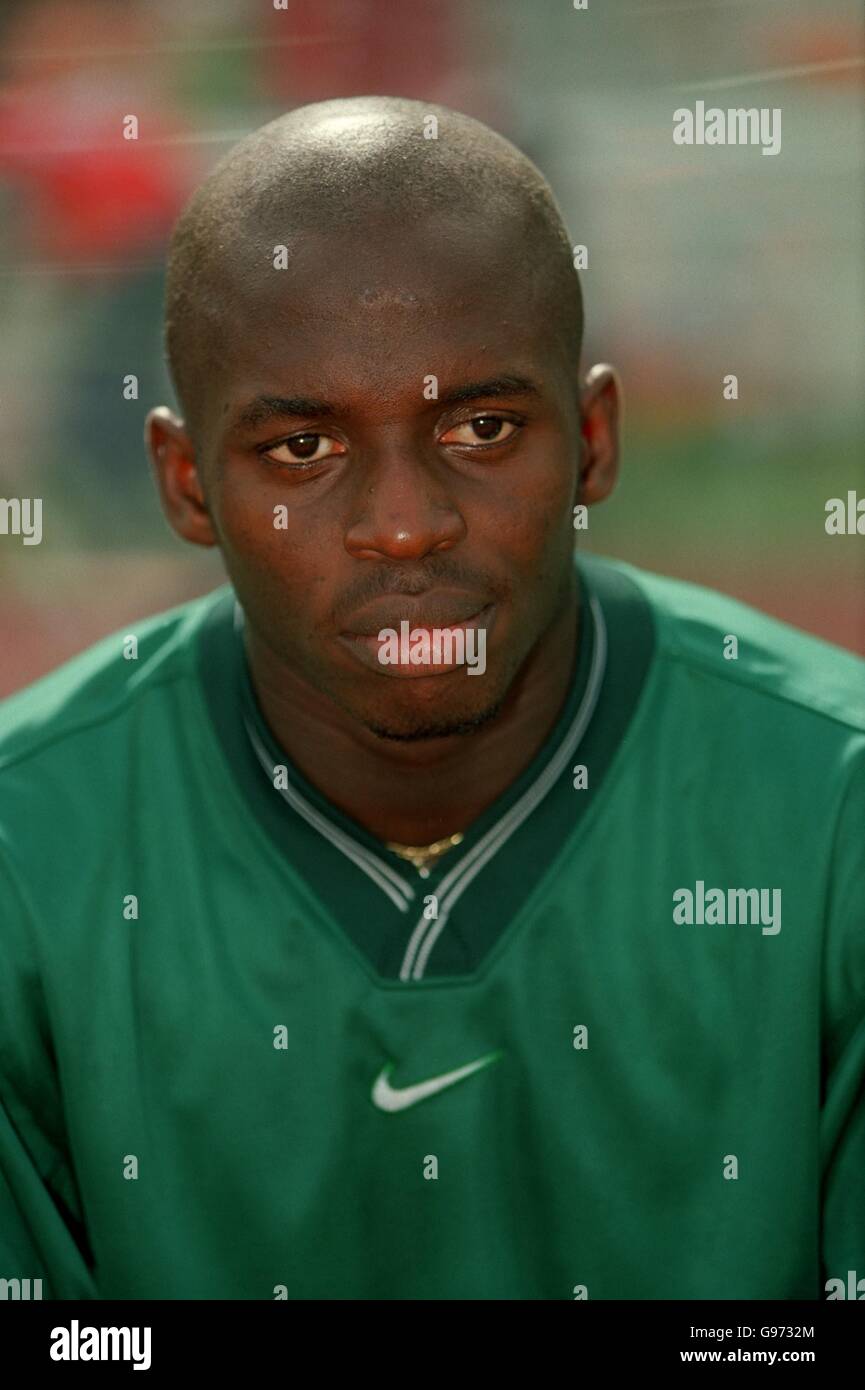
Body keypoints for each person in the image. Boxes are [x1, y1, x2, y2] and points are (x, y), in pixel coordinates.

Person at [0, 96, 862, 1301]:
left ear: (593, 442)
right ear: (187, 483)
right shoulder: (25, 858)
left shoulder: (835, 815)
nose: (406, 524)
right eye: (303, 448)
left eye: (482, 425)